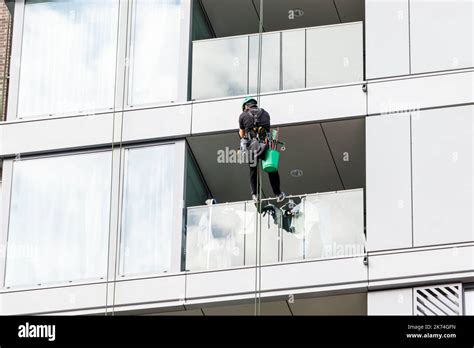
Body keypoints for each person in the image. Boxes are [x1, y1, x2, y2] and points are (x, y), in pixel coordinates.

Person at [238, 97, 286, 203]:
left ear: (246, 106)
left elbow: (242, 135)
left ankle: (255, 195)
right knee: (271, 169)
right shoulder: (265, 114)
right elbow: (268, 130)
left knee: (253, 170)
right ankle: (278, 194)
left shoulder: (243, 116)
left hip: (252, 146)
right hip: (265, 145)